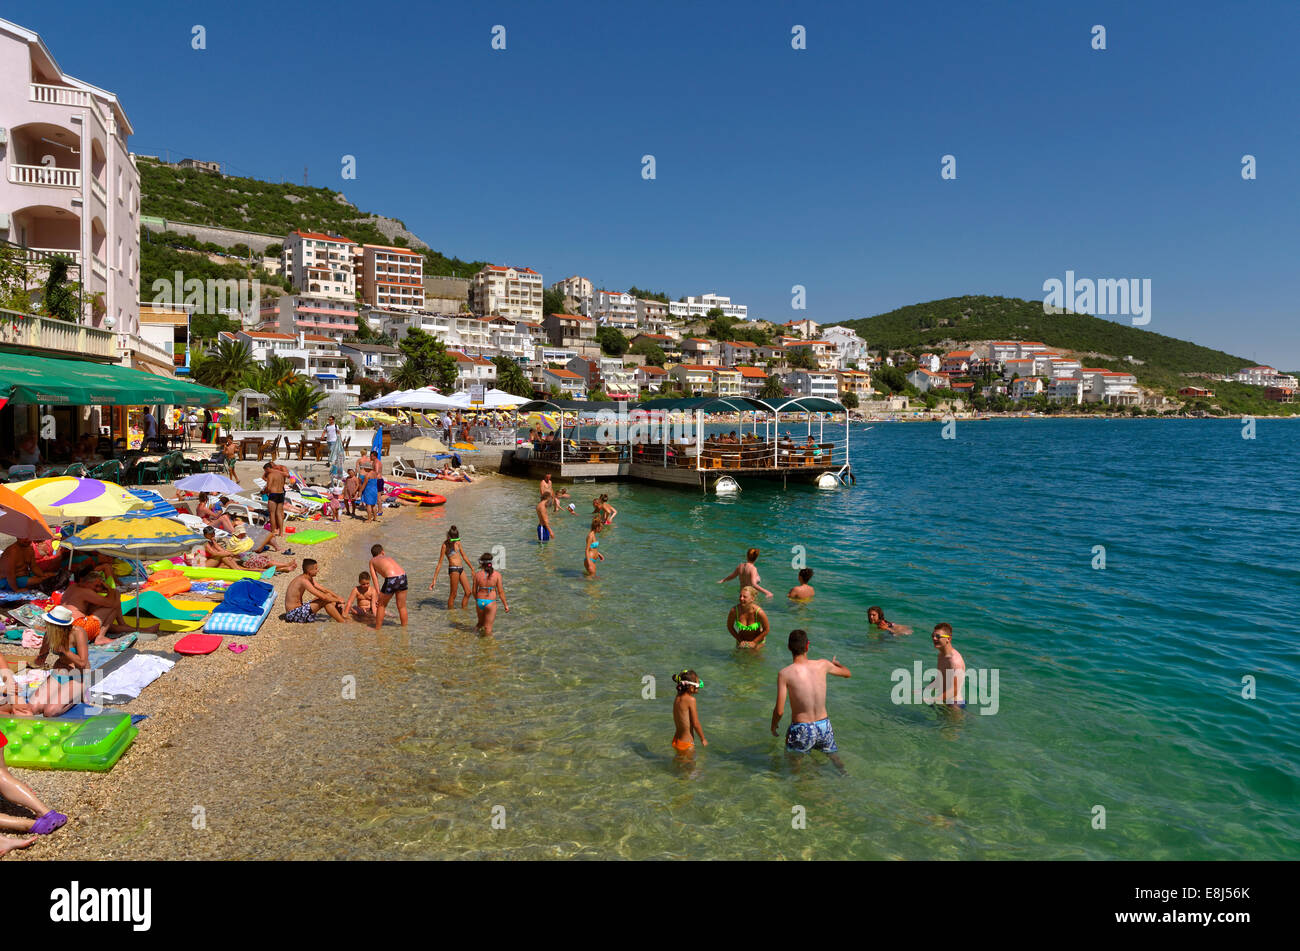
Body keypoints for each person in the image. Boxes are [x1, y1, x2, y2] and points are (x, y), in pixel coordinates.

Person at [770, 629, 850, 764]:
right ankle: (844, 776)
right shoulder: (823, 664)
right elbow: (847, 673)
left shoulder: (785, 674)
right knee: (834, 758)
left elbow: (779, 711)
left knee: (795, 767)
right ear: (808, 645)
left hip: (801, 728)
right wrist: (837, 664)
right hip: (824, 725)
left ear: (789, 647)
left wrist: (774, 725)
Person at [28, 606, 90, 717]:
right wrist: (37, 661)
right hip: (60, 672)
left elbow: (82, 662)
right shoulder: (50, 634)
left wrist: (65, 651)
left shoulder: (78, 633)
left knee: (50, 712)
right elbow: (41, 658)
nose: (46, 626)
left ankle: (79, 693)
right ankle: (62, 694)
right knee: (33, 708)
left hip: (78, 675)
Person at [62, 572, 158, 640]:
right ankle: (100, 637)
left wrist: (104, 590)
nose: (98, 589)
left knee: (109, 626)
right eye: (96, 585)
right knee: (114, 602)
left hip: (66, 629)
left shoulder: (73, 587)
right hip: (80, 630)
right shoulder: (86, 592)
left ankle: (140, 629)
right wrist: (110, 589)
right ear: (87, 583)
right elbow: (112, 603)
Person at [368, 544, 408, 630]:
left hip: (391, 578)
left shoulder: (372, 561)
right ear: (382, 552)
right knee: (402, 606)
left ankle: (377, 629)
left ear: (373, 554)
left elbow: (375, 578)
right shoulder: (388, 557)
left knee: (381, 605)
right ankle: (404, 630)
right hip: (403, 576)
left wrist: (378, 593)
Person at [430, 527, 472, 609]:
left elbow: (464, 556)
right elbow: (440, 563)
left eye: (456, 539)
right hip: (453, 569)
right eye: (453, 540)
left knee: (468, 592)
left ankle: (464, 612)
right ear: (449, 537)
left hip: (461, 568)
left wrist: (472, 568)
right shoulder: (445, 545)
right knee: (453, 594)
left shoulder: (458, 542)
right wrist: (434, 579)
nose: (455, 542)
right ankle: (451, 614)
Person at [671, 669, 707, 755]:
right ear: (691, 687)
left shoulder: (677, 697)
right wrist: (703, 739)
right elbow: (695, 723)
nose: (699, 685)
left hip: (676, 740)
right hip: (686, 744)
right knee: (690, 768)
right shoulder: (691, 700)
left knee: (680, 766)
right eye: (697, 683)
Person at [472, 552, 508, 636]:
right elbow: (501, 592)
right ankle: (488, 647)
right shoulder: (497, 575)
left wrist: (477, 600)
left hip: (480, 601)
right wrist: (505, 605)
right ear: (491, 563)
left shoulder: (477, 575)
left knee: (479, 624)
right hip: (490, 602)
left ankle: (472, 639)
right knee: (488, 628)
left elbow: (473, 591)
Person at [932, 622, 966, 708]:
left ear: (949, 639)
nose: (934, 638)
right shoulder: (941, 655)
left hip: (954, 705)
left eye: (938, 636)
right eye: (933, 635)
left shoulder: (955, 661)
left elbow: (954, 690)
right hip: (942, 700)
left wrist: (933, 699)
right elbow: (940, 678)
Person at [263, 460, 291, 536]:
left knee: (272, 514)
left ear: (268, 468)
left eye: (265, 470)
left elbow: (268, 487)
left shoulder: (270, 475)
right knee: (279, 513)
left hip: (273, 494)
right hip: (281, 494)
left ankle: (273, 532)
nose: (266, 472)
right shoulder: (281, 474)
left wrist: (264, 492)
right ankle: (281, 532)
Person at [357, 453, 379, 523]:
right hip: (374, 490)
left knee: (368, 505)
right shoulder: (375, 473)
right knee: (373, 505)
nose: (364, 469)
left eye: (365, 468)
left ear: (367, 468)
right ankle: (375, 518)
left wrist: (360, 491)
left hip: (368, 490)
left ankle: (369, 519)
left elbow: (364, 485)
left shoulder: (367, 475)